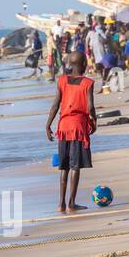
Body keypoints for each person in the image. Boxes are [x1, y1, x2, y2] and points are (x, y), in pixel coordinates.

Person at [44, 52, 97, 214]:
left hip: (63, 127)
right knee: (75, 166)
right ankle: (72, 203)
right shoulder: (88, 83)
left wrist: (48, 125)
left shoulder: (62, 80)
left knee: (64, 166)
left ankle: (60, 203)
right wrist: (94, 121)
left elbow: (55, 105)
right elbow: (90, 107)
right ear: (83, 65)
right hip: (78, 127)